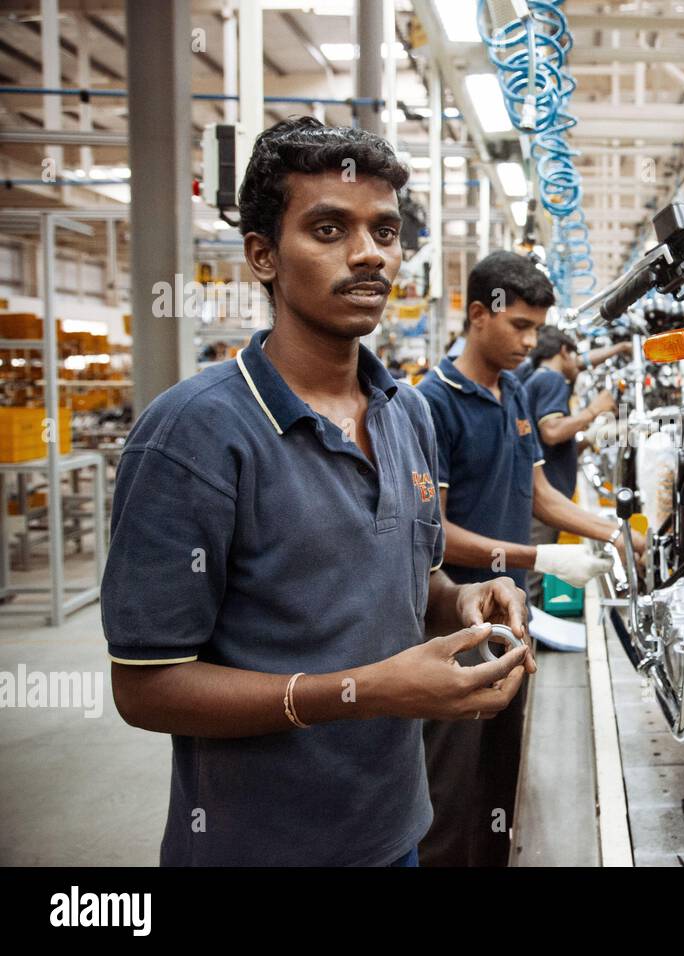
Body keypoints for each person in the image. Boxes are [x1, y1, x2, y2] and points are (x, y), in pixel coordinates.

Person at [102, 117, 533, 866]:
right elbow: (147, 688)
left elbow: (416, 573)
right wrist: (365, 691)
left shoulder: (408, 414)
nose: (369, 253)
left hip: (398, 832)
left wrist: (462, 598)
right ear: (263, 256)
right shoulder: (193, 436)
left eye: (386, 230)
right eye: (330, 228)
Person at [415, 251, 645, 866]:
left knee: (501, 769)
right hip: (454, 619)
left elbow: (538, 491)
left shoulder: (515, 390)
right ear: (475, 316)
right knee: (450, 786)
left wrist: (610, 529)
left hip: (513, 611)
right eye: (518, 325)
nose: (530, 340)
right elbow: (435, 533)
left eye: (537, 328)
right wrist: (539, 555)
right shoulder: (431, 404)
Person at [522, 326, 630, 605]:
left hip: (543, 497)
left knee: (530, 572)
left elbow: (554, 444)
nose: (579, 369)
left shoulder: (536, 377)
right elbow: (552, 431)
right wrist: (593, 411)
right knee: (529, 580)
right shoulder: (552, 380)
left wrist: (593, 436)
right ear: (563, 352)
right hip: (546, 501)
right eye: (575, 360)